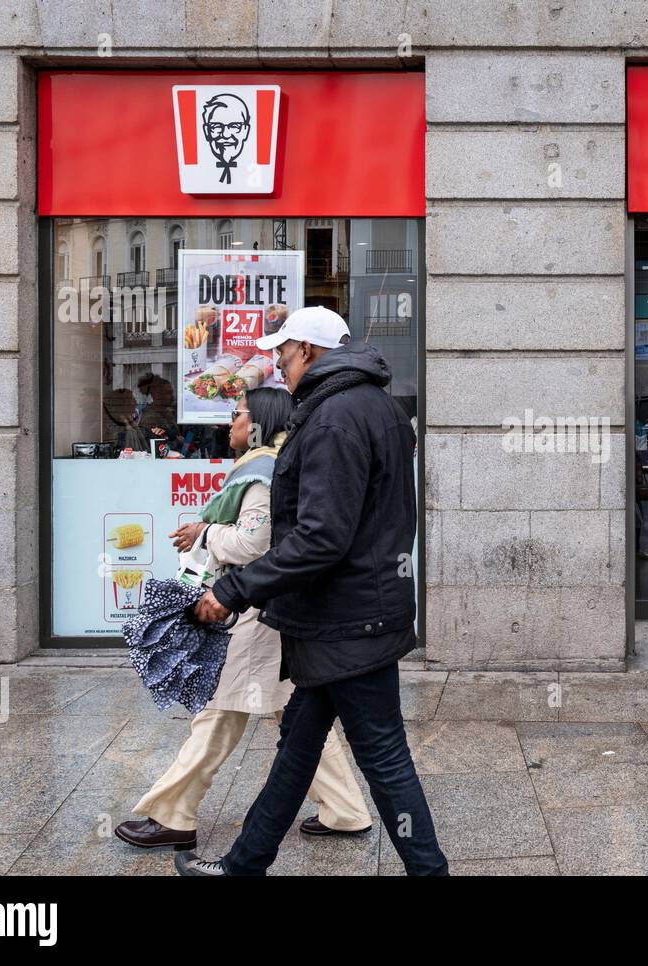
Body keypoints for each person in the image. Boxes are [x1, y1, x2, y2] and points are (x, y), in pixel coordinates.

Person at [176, 306, 448, 876]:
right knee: (297, 749)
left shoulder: (333, 418)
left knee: (385, 759)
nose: (276, 361)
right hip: (347, 616)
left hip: (348, 620)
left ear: (308, 350)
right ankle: (242, 866)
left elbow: (321, 537)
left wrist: (235, 591)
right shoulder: (376, 408)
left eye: (283, 350)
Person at [115, 386, 374, 853]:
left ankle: (172, 814)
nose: (228, 423)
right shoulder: (271, 465)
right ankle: (346, 810)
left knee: (219, 712)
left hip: (255, 610)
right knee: (296, 715)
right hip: (274, 606)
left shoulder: (260, 472)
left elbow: (254, 544)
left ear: (257, 422)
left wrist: (206, 531)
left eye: (236, 414)